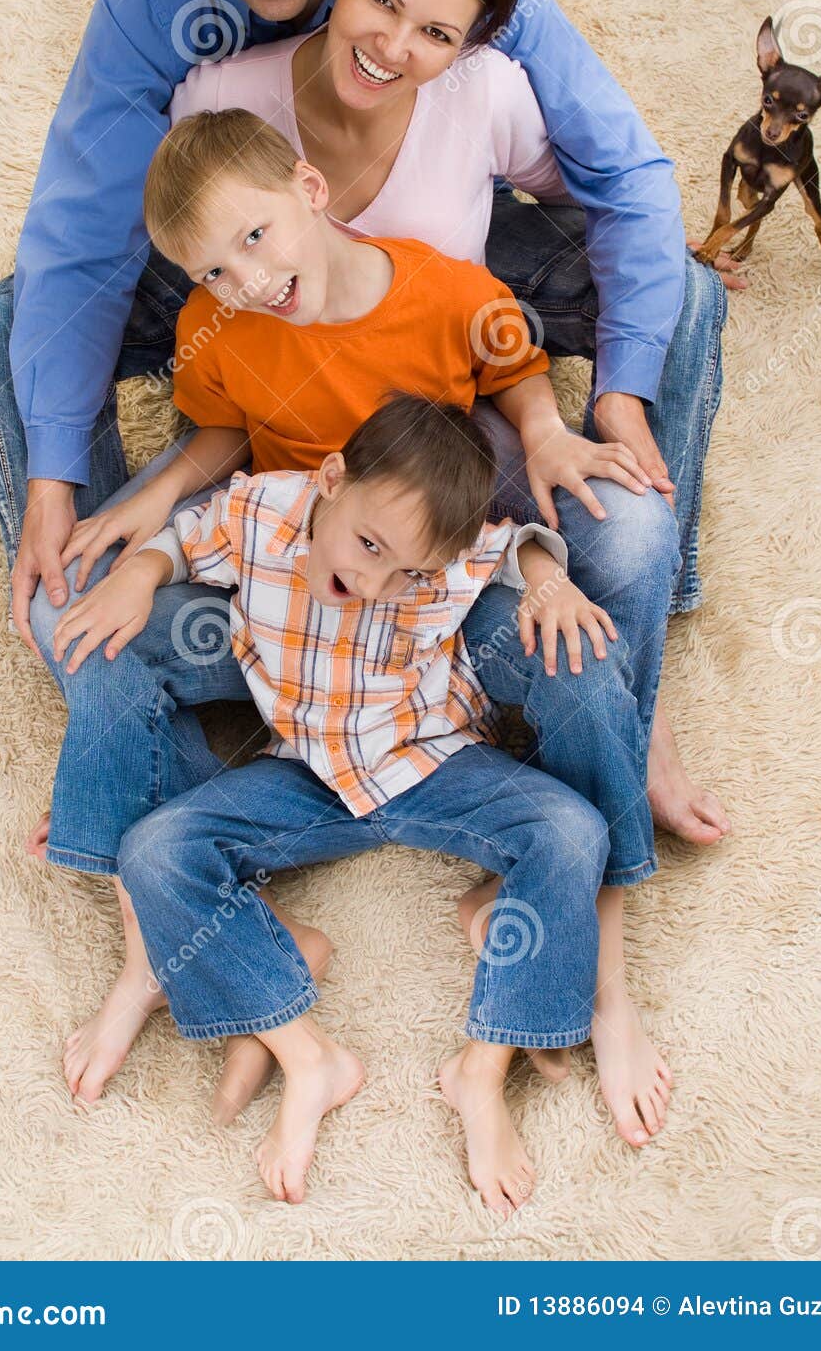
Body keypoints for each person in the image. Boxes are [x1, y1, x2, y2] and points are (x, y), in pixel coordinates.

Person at [0, 0, 739, 850]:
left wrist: (602, 403)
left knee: (671, 309)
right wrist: (55, 477)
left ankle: (631, 654)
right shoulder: (173, 34)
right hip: (256, 252)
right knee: (15, 318)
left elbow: (615, 178)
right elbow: (87, 232)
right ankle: (123, 661)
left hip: (434, 293)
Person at [42, 111, 671, 1149]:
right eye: (213, 267)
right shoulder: (264, 475)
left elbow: (502, 522)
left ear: (310, 187)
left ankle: (563, 999)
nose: (243, 279)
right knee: (82, 630)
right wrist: (141, 545)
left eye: (255, 238)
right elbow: (213, 466)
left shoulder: (439, 306)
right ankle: (167, 949)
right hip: (305, 738)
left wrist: (548, 508)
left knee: (579, 700)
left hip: (428, 606)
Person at [77, 394, 651, 1211]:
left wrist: (548, 581)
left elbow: (513, 544)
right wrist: (139, 572)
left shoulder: (439, 555)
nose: (370, 582)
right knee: (156, 852)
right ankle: (307, 1055)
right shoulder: (262, 510)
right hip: (304, 776)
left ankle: (480, 1071)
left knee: (571, 827)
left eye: (405, 573)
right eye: (368, 545)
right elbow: (181, 535)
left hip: (435, 764)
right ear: (332, 477)